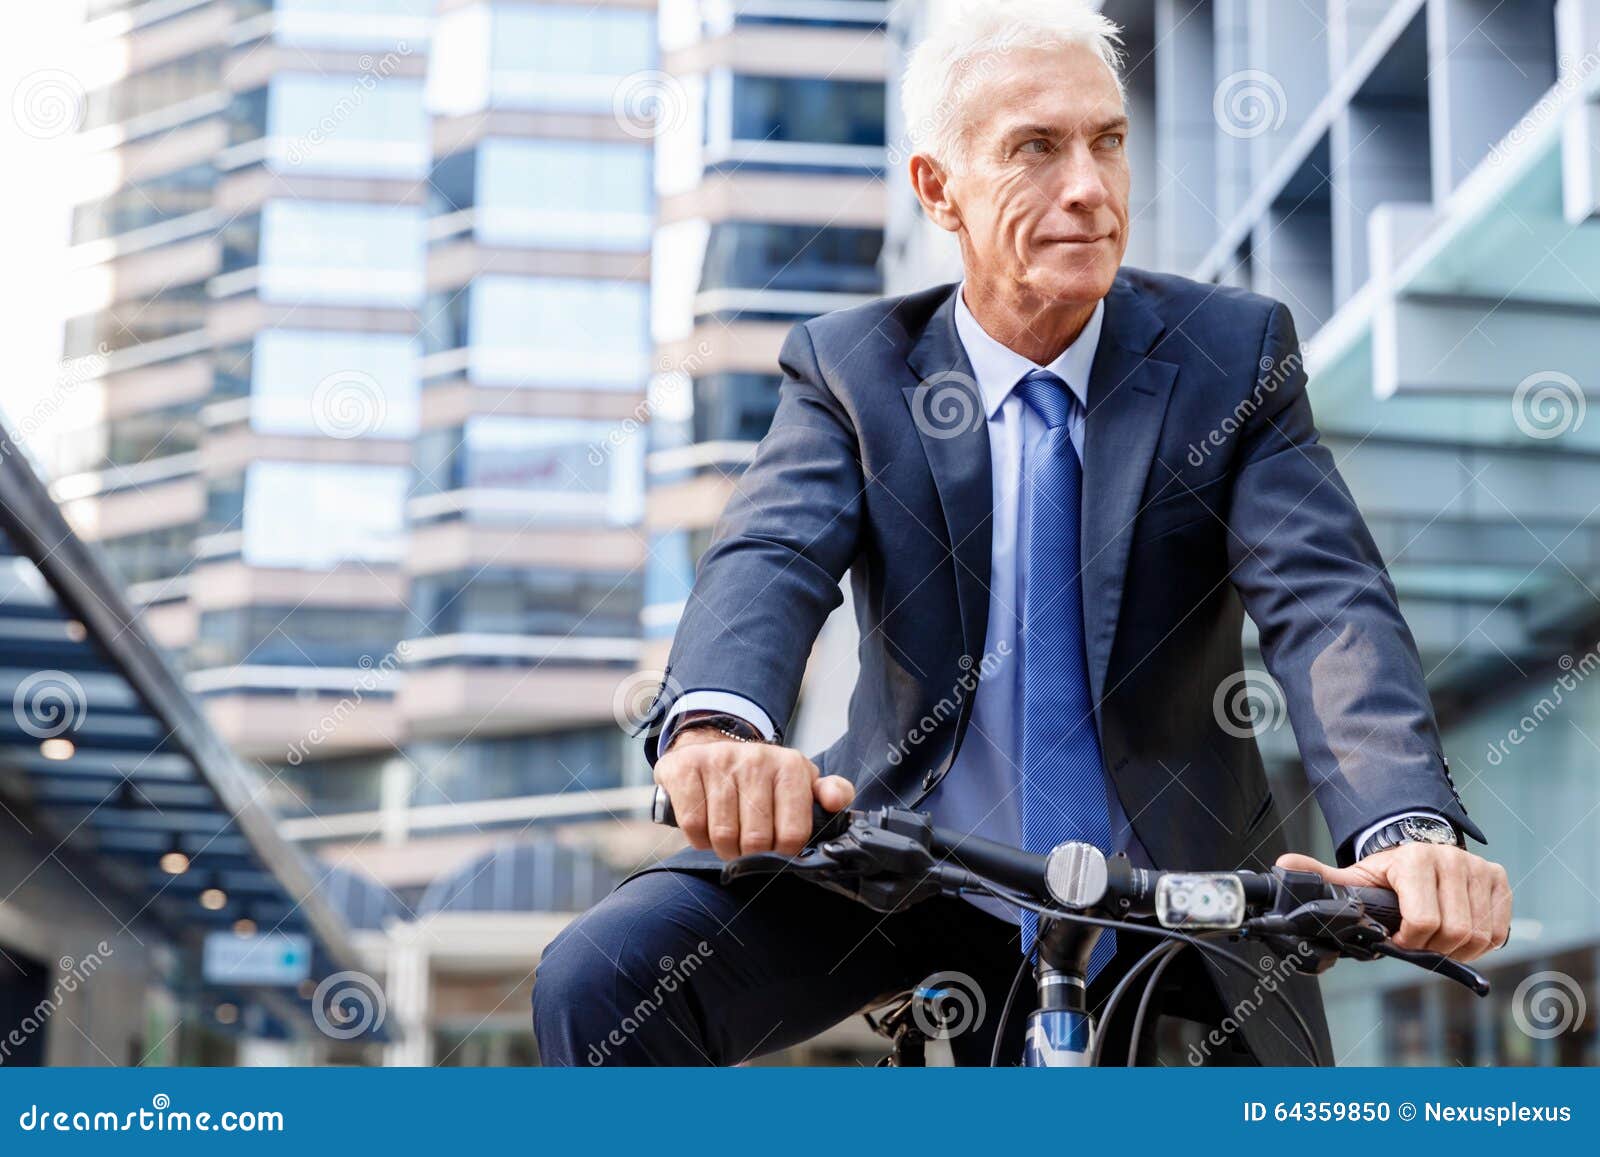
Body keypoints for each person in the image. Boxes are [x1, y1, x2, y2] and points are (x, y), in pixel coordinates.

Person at [533, 0, 1511, 1066]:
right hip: (910, 864)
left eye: (1107, 141)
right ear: (936, 190)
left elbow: (1329, 603)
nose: (1087, 187)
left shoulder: (1231, 355)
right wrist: (718, 728)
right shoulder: (852, 369)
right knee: (604, 980)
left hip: (1173, 885)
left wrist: (1403, 828)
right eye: (1034, 149)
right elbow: (770, 554)